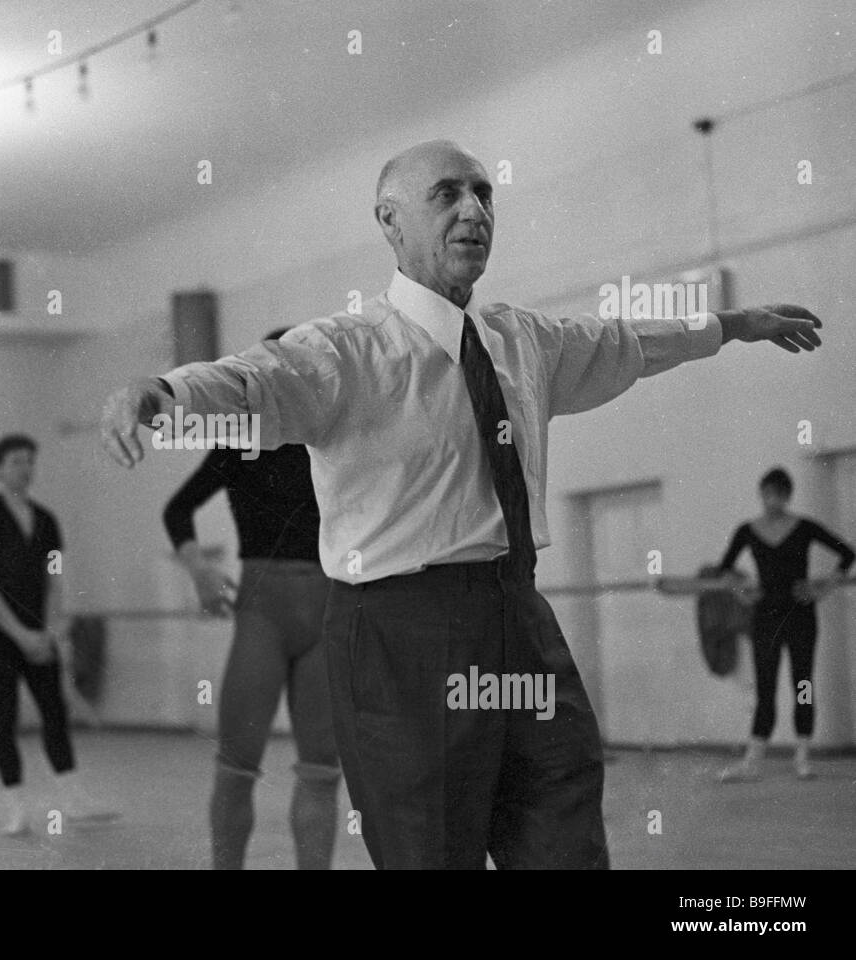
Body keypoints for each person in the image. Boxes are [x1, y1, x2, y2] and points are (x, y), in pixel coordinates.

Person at [100, 139, 824, 869]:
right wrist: (164, 393)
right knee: (430, 847)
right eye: (447, 194)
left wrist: (731, 327)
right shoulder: (344, 351)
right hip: (397, 635)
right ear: (390, 221)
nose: (474, 210)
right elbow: (252, 380)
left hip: (518, 616)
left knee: (564, 820)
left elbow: (625, 341)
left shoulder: (523, 340)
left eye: (483, 193)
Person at [161, 326, 340, 869]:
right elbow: (177, 509)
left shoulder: (331, 438)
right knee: (237, 764)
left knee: (321, 771)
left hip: (327, 606)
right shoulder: (239, 437)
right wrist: (198, 571)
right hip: (264, 612)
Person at [0, 434, 116, 835]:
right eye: (16, 461)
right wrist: (19, 634)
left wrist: (49, 631)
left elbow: (54, 581)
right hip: (0, 633)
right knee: (6, 715)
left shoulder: (47, 521)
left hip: (40, 634)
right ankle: (15, 807)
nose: (24, 467)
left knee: (54, 712)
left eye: (30, 460)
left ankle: (74, 798)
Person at [715, 467, 854, 781]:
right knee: (765, 687)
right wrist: (742, 595)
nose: (771, 501)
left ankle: (802, 754)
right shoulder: (748, 530)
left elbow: (847, 553)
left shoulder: (803, 527)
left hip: (800, 616)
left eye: (778, 495)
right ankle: (753, 758)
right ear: (761, 495)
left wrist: (824, 588)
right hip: (766, 617)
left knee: (802, 684)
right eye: (766, 495)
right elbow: (724, 568)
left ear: (787, 496)